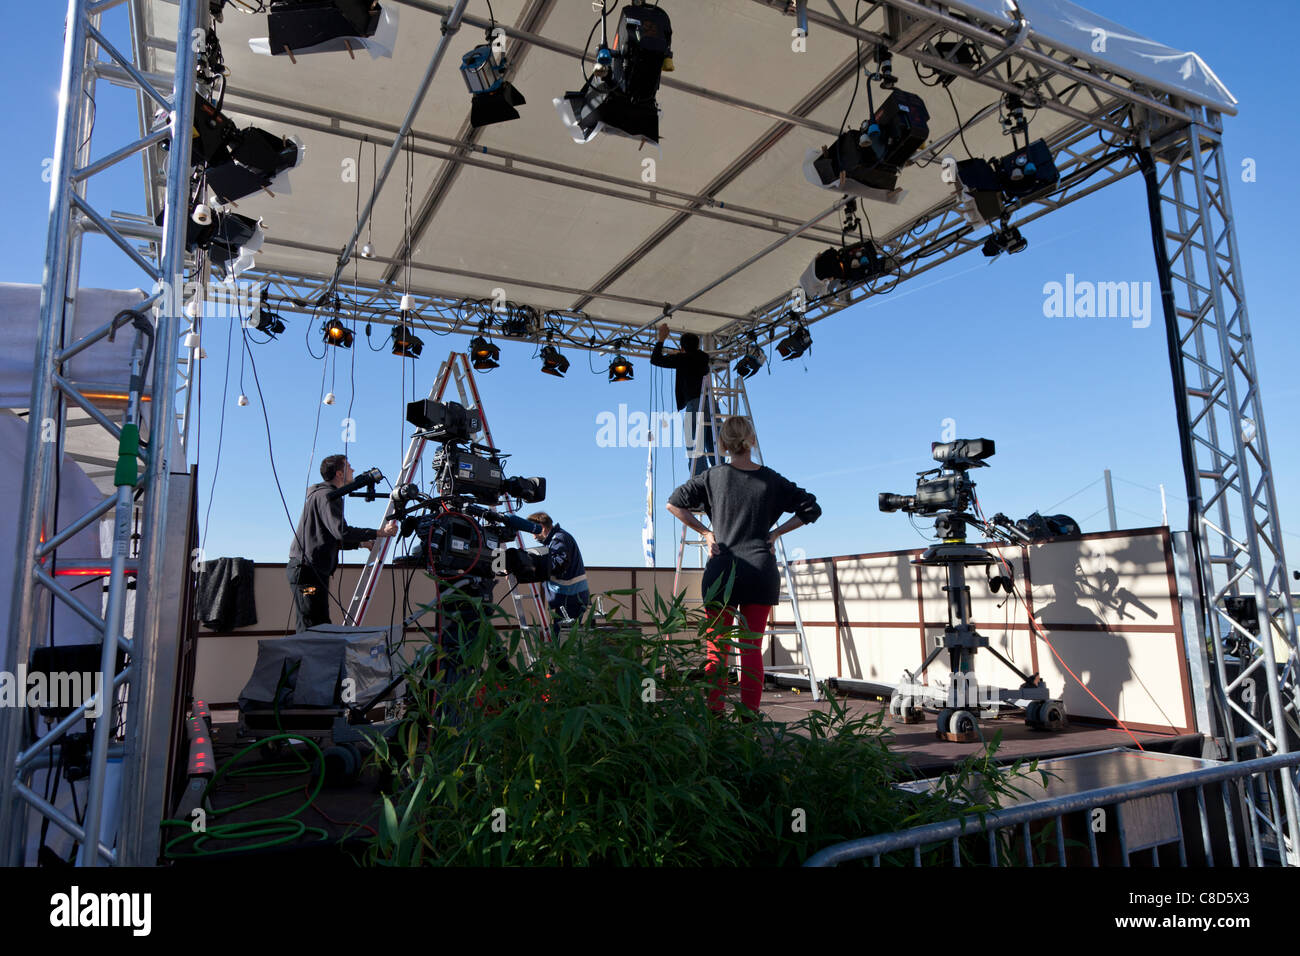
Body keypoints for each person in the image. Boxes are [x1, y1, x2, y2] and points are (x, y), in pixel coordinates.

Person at [666, 416, 820, 716]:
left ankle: (714, 718)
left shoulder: (713, 477)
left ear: (723, 444)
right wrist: (775, 533)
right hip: (759, 571)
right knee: (751, 651)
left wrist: (706, 532)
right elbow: (812, 508)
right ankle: (749, 720)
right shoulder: (771, 479)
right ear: (752, 441)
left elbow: (674, 503)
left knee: (717, 651)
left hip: (723, 569)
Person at [287, 454, 397, 632]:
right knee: (314, 624)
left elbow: (330, 537)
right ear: (339, 473)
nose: (353, 470)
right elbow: (341, 531)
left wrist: (362, 544)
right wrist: (380, 533)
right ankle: (306, 660)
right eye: (349, 466)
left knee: (314, 621)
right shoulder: (328, 496)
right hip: (308, 575)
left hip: (309, 571)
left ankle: (309, 659)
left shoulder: (323, 495)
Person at [651, 324, 714, 476]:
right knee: (714, 445)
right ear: (698, 345)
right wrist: (679, 354)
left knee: (695, 448)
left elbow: (655, 359)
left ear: (682, 347)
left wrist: (661, 340)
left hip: (694, 403)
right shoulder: (702, 357)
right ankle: (722, 475)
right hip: (710, 403)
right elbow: (693, 357)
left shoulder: (683, 359)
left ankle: (700, 482)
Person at [527, 511, 590, 641]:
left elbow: (559, 564)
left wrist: (535, 567)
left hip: (570, 598)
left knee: (564, 640)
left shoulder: (559, 538)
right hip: (569, 598)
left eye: (533, 531)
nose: (533, 537)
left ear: (542, 527)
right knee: (563, 638)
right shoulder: (557, 539)